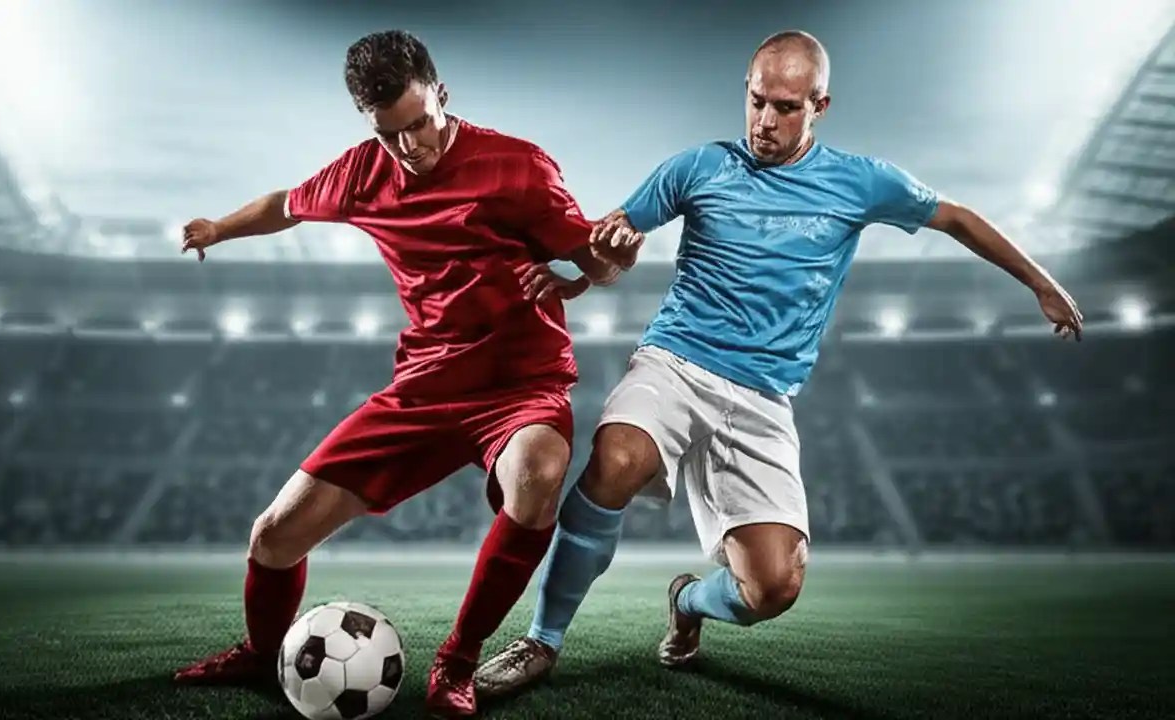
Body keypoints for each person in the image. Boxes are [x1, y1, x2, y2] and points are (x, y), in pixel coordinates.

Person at [476, 29, 1084, 695]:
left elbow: (957, 217)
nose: (765, 120)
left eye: (786, 107)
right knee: (616, 459)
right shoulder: (698, 168)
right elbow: (609, 241)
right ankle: (542, 640)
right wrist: (585, 271)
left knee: (772, 588)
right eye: (757, 101)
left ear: (820, 106)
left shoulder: (862, 182)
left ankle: (686, 604)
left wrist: (1040, 282)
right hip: (676, 363)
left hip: (762, 399)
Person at [171, 29, 627, 718]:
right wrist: (216, 229)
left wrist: (588, 270)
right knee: (272, 537)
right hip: (422, 391)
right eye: (392, 134)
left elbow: (600, 261)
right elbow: (284, 204)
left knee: (537, 476)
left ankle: (458, 663)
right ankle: (262, 655)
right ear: (368, 124)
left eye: (421, 124)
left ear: (442, 95)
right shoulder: (361, 173)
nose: (411, 146)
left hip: (519, 388)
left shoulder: (519, 167)